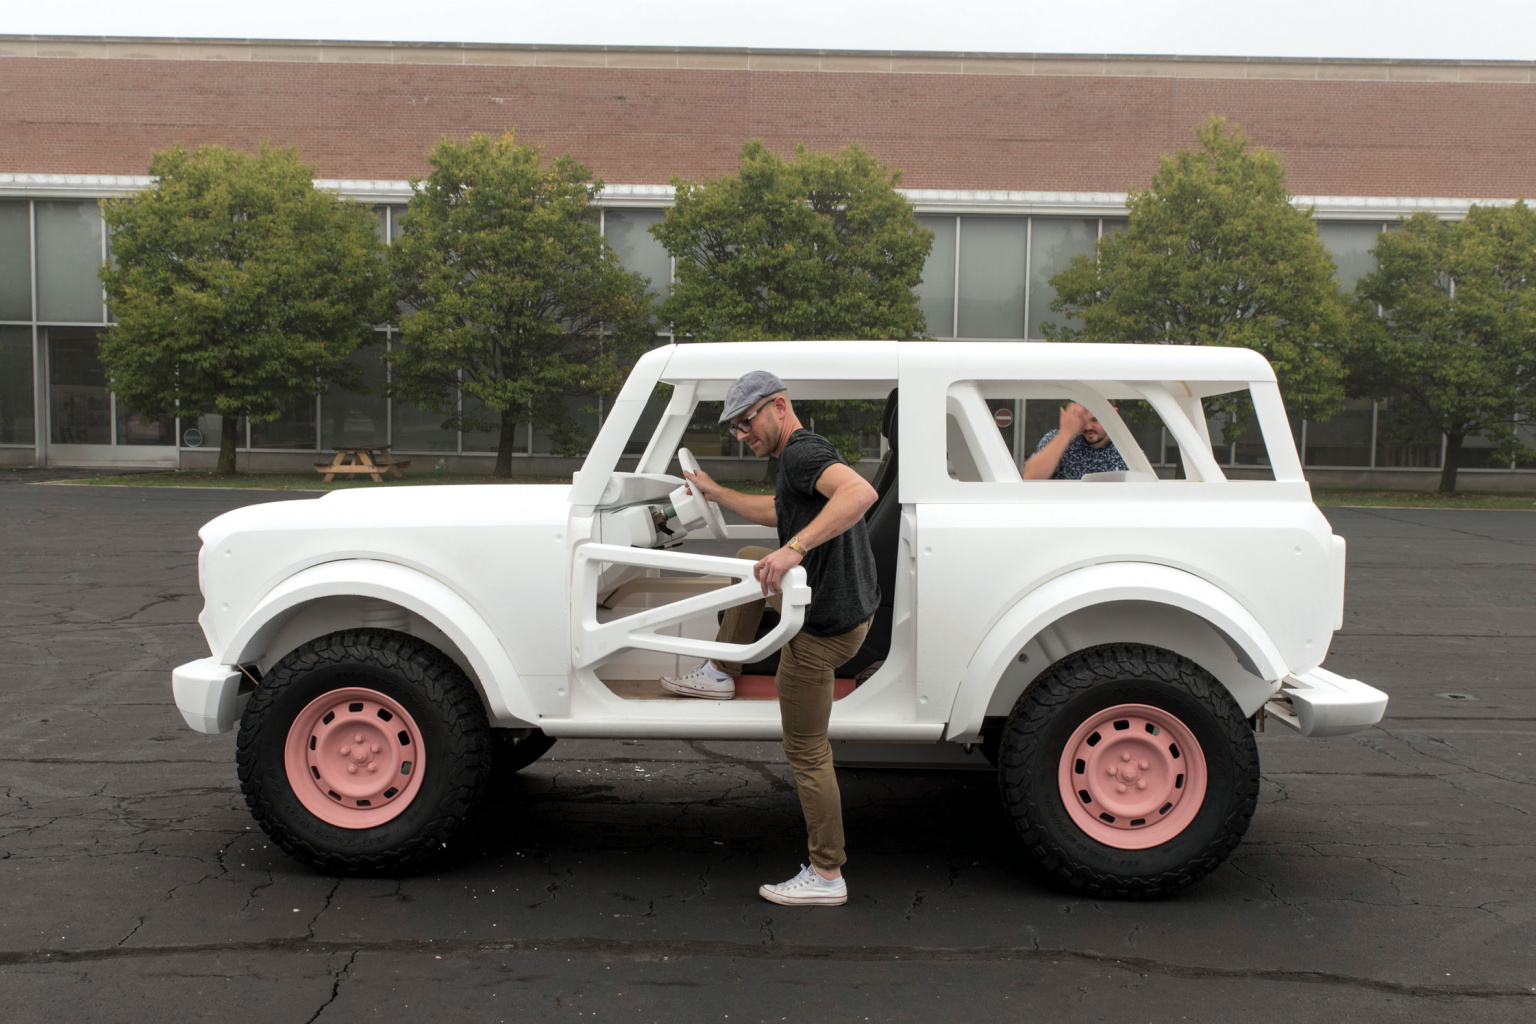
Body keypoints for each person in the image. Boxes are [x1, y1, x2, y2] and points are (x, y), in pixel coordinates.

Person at [661, 370, 879, 908]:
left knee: (806, 750)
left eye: (747, 419)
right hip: (848, 605)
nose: (742, 432)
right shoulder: (800, 459)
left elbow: (860, 493)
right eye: (735, 426)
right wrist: (712, 492)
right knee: (745, 565)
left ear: (778, 406)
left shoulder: (802, 455)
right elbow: (777, 511)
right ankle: (720, 673)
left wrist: (794, 549)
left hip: (824, 627)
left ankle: (827, 874)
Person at [1023, 402, 1129, 480]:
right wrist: (1065, 435)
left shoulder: (1128, 452)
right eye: (1082, 420)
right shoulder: (1057, 438)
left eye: (1095, 420)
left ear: (1113, 415)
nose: (1088, 427)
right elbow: (1030, 477)